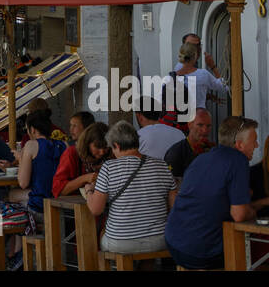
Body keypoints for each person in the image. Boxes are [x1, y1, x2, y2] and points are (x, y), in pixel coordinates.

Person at [162, 116, 257, 270]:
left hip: (174, 242)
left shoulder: (202, 159)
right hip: (201, 250)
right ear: (239, 145)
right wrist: (253, 211)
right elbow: (239, 215)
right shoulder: (238, 160)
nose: (257, 145)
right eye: (254, 141)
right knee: (246, 252)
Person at [87, 120, 178, 256]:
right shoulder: (162, 166)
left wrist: (89, 190)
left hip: (121, 242)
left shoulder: (108, 168)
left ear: (116, 145)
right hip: (160, 240)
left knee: (102, 235)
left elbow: (96, 209)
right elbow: (175, 207)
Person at [17, 110, 68, 214]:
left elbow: (23, 183)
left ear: (33, 129)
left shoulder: (31, 145)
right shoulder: (64, 145)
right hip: (62, 202)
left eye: (27, 129)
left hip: (40, 206)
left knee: (9, 195)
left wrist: (20, 158)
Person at [168, 42, 228, 112]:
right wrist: (213, 67)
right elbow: (224, 87)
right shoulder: (203, 74)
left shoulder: (171, 77)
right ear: (195, 56)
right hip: (198, 117)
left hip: (179, 119)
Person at [165, 109, 215, 178]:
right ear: (190, 125)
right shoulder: (176, 152)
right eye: (200, 125)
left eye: (208, 126)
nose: (205, 130)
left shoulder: (213, 150)